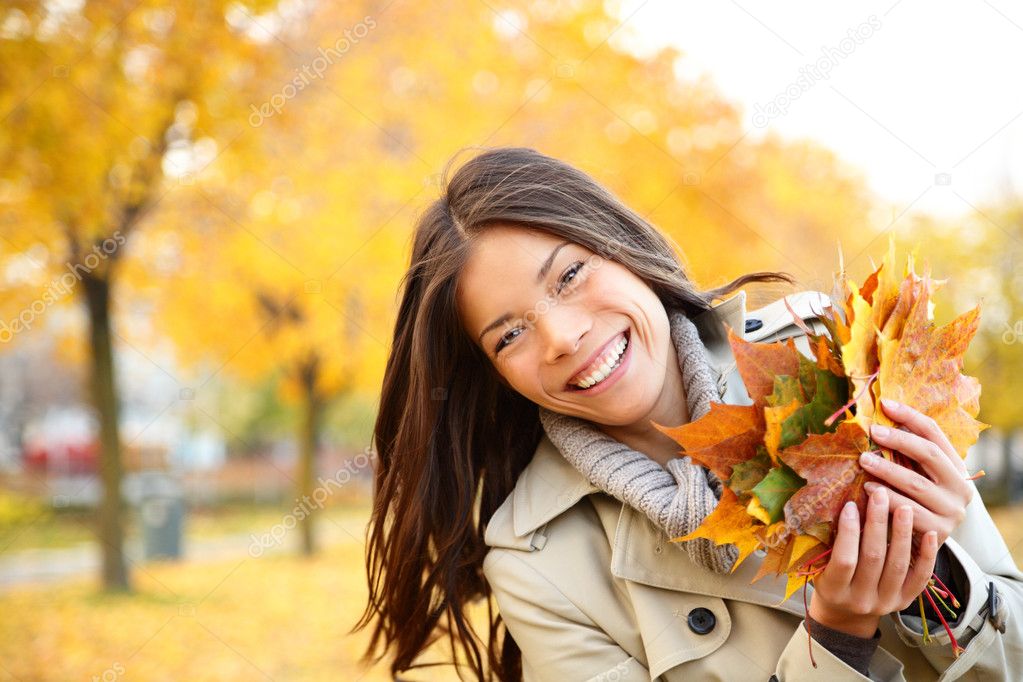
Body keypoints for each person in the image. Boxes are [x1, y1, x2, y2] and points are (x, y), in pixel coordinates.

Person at [354, 146, 1022, 680]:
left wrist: (940, 587)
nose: (560, 337)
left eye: (568, 276)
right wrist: (834, 638)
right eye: (509, 335)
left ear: (620, 247)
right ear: (493, 373)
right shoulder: (537, 562)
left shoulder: (832, 357)